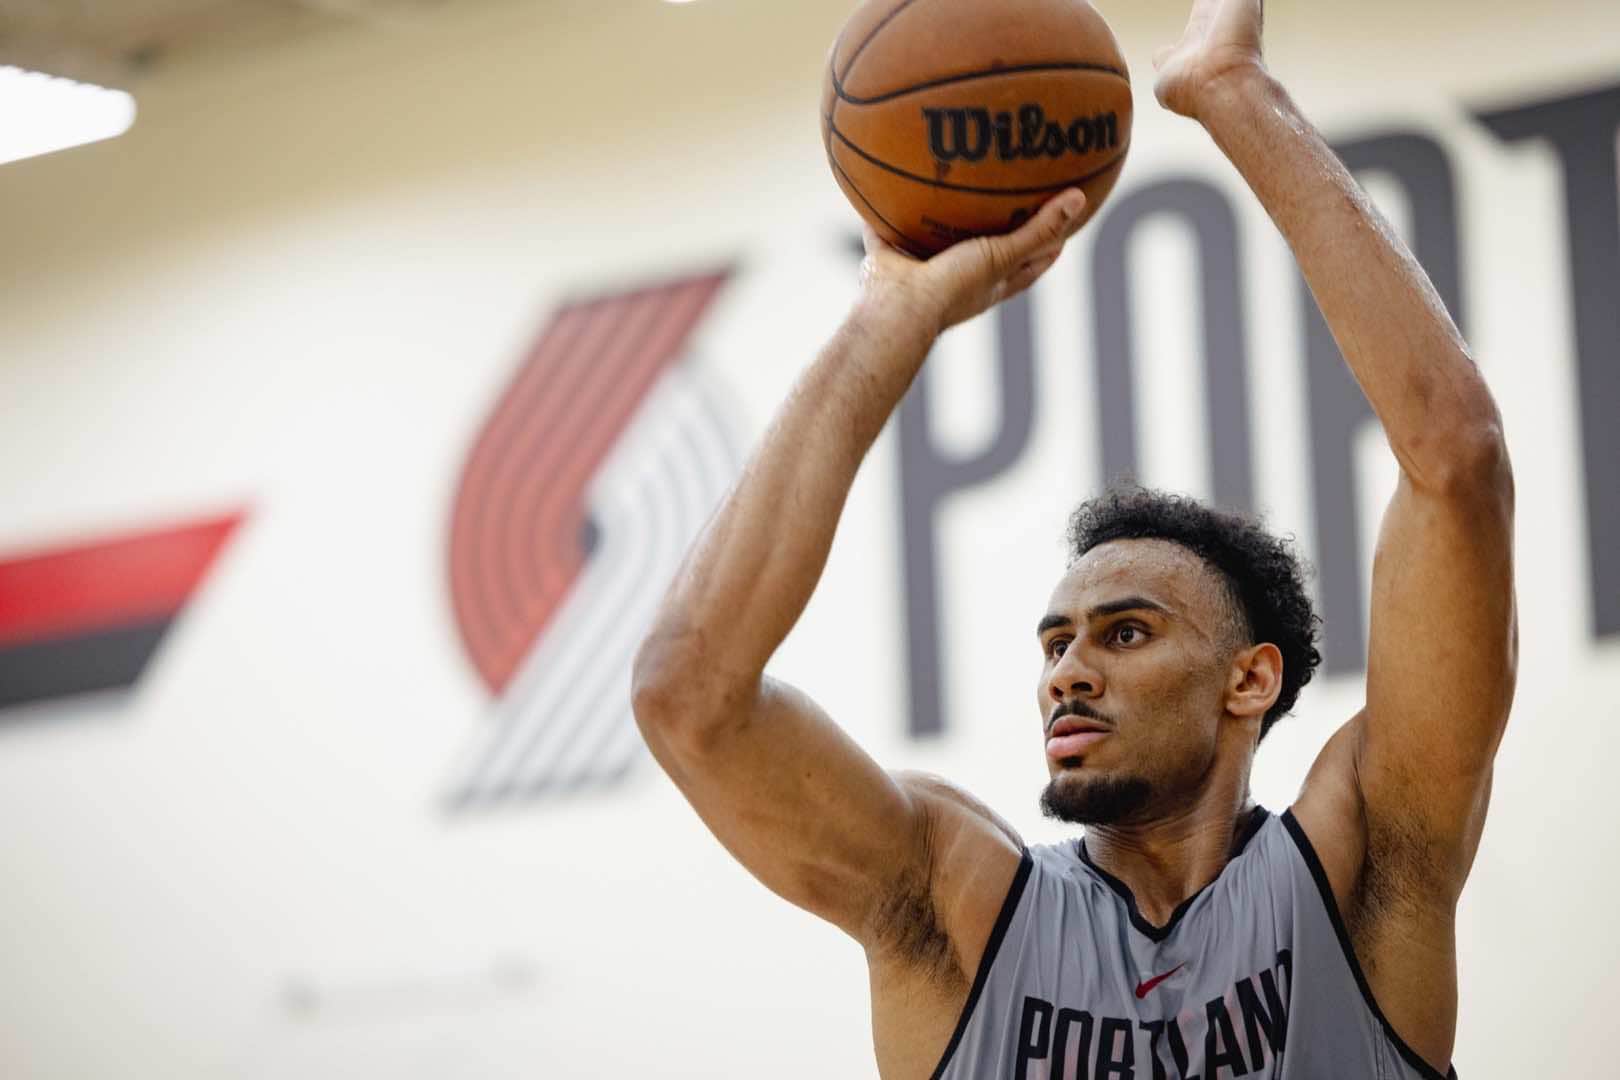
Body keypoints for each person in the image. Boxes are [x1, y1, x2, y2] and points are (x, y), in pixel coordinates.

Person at [631, 0, 1516, 1076]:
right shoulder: (957, 904)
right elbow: (690, 693)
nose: (1068, 675)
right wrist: (891, 317)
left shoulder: (1362, 863)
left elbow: (1457, 462)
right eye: (1055, 645)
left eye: (1126, 634)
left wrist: (1234, 93)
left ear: (1250, 680)